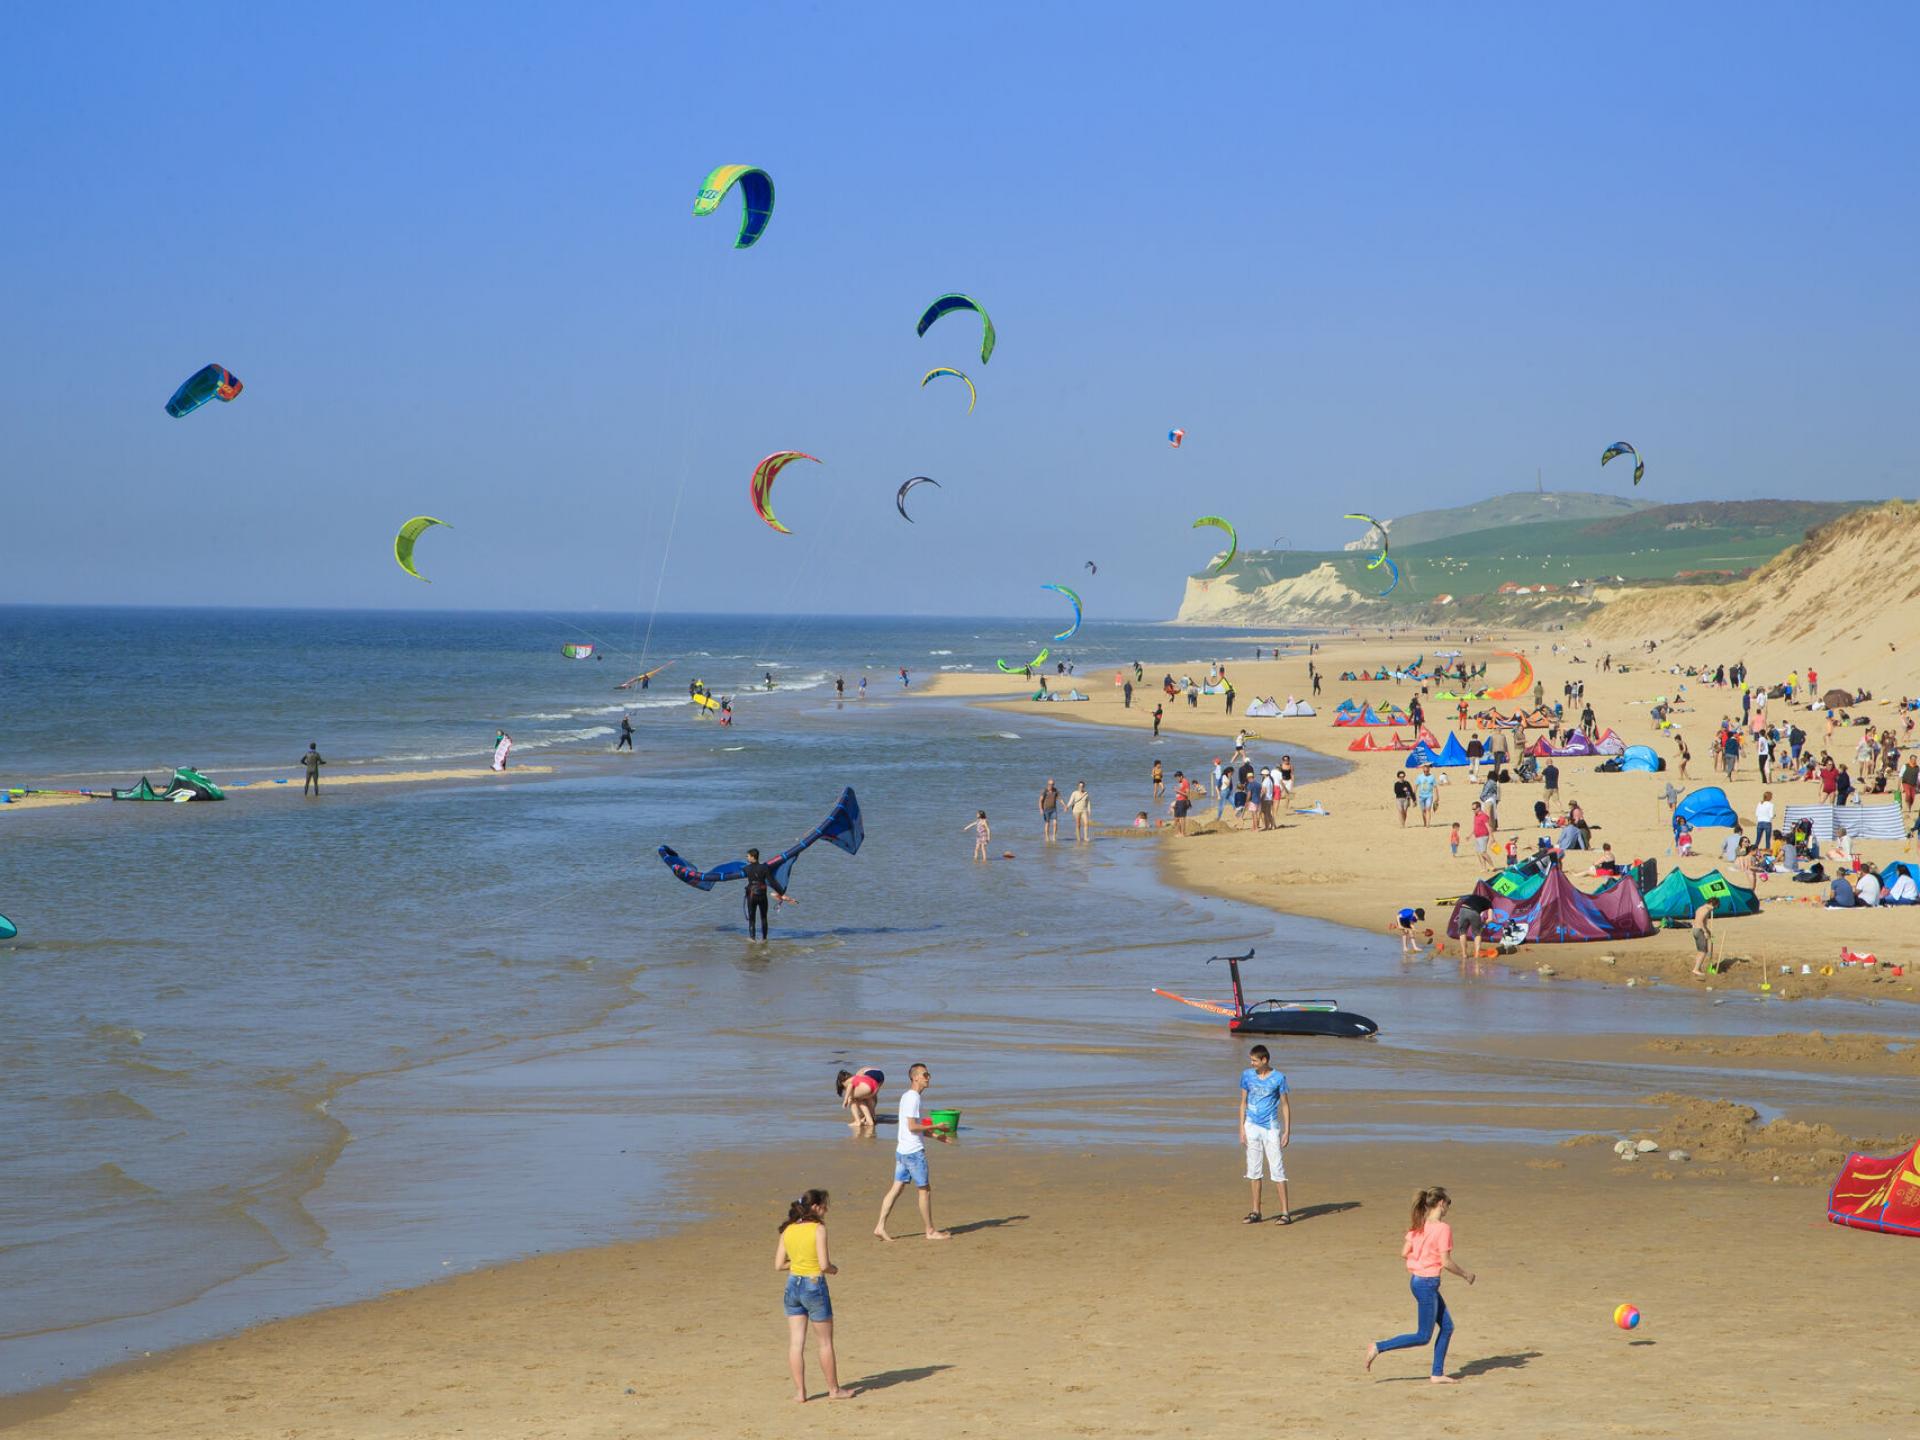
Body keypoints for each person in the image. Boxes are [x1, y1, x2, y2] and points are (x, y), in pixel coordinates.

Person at [1365, 1186, 1475, 1384]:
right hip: (1426, 1283)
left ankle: (1437, 1373)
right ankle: (1378, 1346)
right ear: (1441, 1203)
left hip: (1417, 1282)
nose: (1448, 1208)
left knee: (1448, 1327)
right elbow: (1446, 1262)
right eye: (1448, 1204)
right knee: (1423, 1335)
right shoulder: (1443, 1228)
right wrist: (1466, 1274)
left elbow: (1404, 1251)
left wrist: (1421, 1256)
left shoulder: (1420, 1224)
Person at [775, 1189, 855, 1402]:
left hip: (792, 1285)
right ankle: (834, 1389)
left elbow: (778, 1264)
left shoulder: (788, 1230)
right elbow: (824, 1264)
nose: (826, 1209)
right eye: (824, 1206)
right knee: (825, 1342)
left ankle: (800, 1392)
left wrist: (799, 1262)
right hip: (813, 1285)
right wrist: (834, 1269)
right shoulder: (818, 1229)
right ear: (815, 1207)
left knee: (795, 1343)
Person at [875, 1064, 951, 1242]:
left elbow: (913, 1128)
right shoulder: (913, 1098)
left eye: (928, 1074)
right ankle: (930, 1231)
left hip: (902, 1151)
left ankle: (880, 1226)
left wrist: (936, 1136)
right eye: (925, 1075)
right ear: (915, 1077)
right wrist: (936, 1126)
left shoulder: (908, 1097)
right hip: (913, 1153)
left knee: (896, 1188)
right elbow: (912, 1126)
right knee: (924, 1190)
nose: (928, 1077)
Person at [1237, 1044, 1291, 1225]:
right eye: (1251, 1060)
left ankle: (1285, 1213)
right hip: (1251, 1126)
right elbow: (1243, 1102)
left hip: (1270, 1128)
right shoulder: (1247, 1075)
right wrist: (1241, 1128)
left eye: (1254, 1060)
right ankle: (1256, 1211)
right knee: (1253, 1170)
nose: (1251, 1063)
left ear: (1264, 1060)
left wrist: (1287, 1131)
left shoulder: (1278, 1078)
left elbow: (1284, 1105)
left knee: (1277, 1170)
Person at [743, 847, 795, 941]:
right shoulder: (764, 867)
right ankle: (764, 939)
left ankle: (752, 939)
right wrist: (781, 892)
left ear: (752, 857)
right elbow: (772, 882)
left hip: (751, 896)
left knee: (752, 919)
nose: (747, 858)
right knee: (763, 917)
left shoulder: (746, 868)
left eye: (748, 856)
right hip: (762, 895)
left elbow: (735, 874)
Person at [835, 1068, 884, 1134]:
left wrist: (845, 1100)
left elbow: (850, 1085)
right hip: (875, 1086)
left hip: (867, 1087)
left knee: (851, 1099)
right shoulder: (858, 1077)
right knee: (860, 1099)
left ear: (842, 1081)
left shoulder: (848, 1081)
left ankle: (857, 1121)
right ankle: (870, 1120)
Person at [1690, 898, 1715, 978]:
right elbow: (1700, 921)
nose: (1714, 909)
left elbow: (1699, 921)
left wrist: (1708, 931)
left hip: (1695, 930)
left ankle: (1698, 968)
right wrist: (1705, 932)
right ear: (1711, 904)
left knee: (1700, 951)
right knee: (1704, 951)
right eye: (1715, 907)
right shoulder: (1706, 910)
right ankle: (1696, 969)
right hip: (1699, 931)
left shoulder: (1700, 908)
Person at [1470, 802, 1494, 871]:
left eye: (1474, 809)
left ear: (1479, 808)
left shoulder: (1484, 816)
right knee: (1479, 853)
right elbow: (1475, 827)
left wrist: (1492, 837)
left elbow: (1488, 827)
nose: (1473, 810)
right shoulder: (1476, 816)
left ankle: (1492, 865)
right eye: (1472, 809)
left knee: (1483, 852)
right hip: (1477, 836)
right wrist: (1470, 835)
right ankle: (1484, 868)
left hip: (1483, 836)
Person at [1038, 778, 1061, 844]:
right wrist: (1041, 809)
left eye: (1052, 784)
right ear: (1048, 784)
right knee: (1047, 823)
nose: (1051, 785)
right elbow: (1040, 801)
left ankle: (1054, 836)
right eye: (1050, 784)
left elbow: (1059, 799)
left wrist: (1064, 806)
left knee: (1055, 823)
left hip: (1054, 809)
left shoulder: (1055, 790)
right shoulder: (1044, 791)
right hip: (1046, 809)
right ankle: (1047, 837)